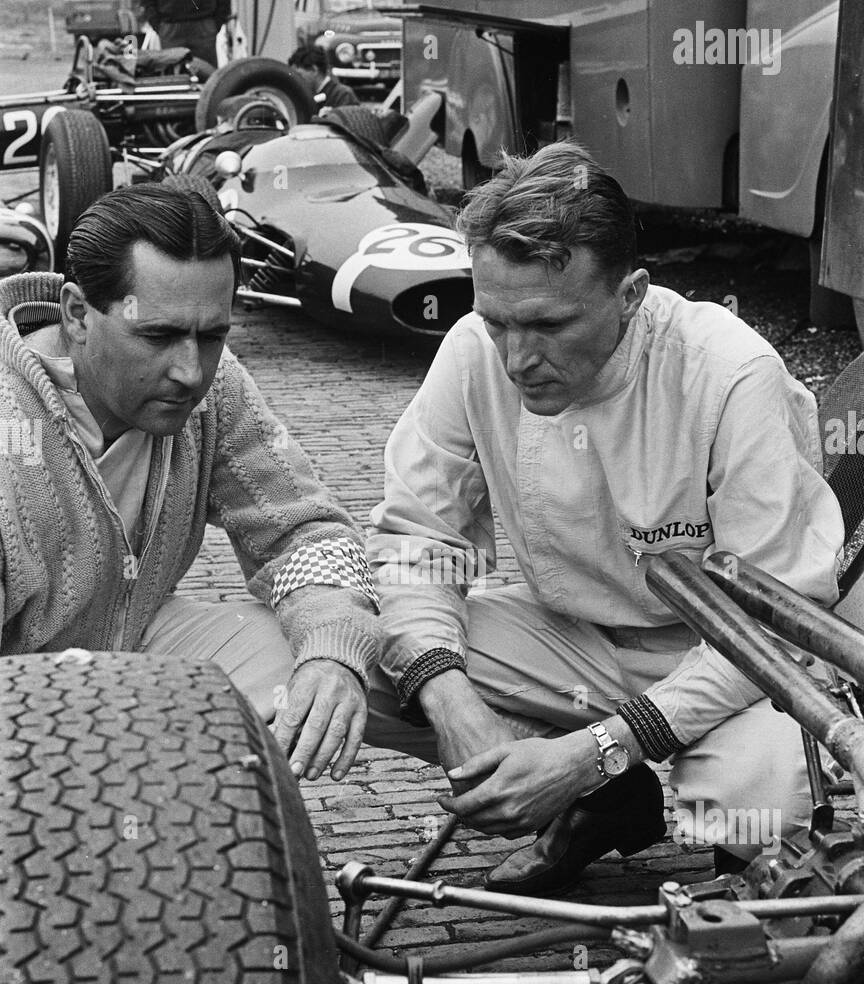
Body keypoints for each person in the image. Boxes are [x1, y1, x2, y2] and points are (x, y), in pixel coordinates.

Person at [364, 141, 845, 896]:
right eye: (497, 322)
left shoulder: (729, 372)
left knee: (764, 807)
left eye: (550, 325)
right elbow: (422, 538)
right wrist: (449, 697)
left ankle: (714, 884)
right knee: (362, 651)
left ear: (632, 295)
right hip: (571, 640)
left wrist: (595, 747)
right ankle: (608, 803)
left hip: (723, 656)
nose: (517, 359)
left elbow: (772, 624)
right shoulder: (472, 354)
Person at [0, 181, 379, 785]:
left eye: (212, 335)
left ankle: (573, 788)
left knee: (344, 654)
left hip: (135, 639)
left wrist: (333, 650)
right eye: (157, 336)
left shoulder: (214, 383)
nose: (191, 371)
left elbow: (307, 529)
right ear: (77, 315)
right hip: (18, 695)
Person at [289, 44, 360, 110]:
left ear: (314, 70)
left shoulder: (343, 95)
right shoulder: (305, 95)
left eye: (299, 75)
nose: (297, 80)